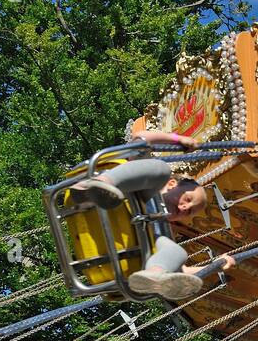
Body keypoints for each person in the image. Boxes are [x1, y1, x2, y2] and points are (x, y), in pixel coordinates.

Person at [76, 129, 235, 300]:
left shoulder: (161, 231)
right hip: (122, 193)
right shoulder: (148, 185)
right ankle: (101, 184)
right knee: (160, 169)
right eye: (187, 198)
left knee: (177, 253)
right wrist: (177, 139)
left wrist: (216, 266)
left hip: (127, 240)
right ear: (172, 184)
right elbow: (142, 138)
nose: (184, 207)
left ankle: (152, 275)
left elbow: (181, 271)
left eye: (188, 211)